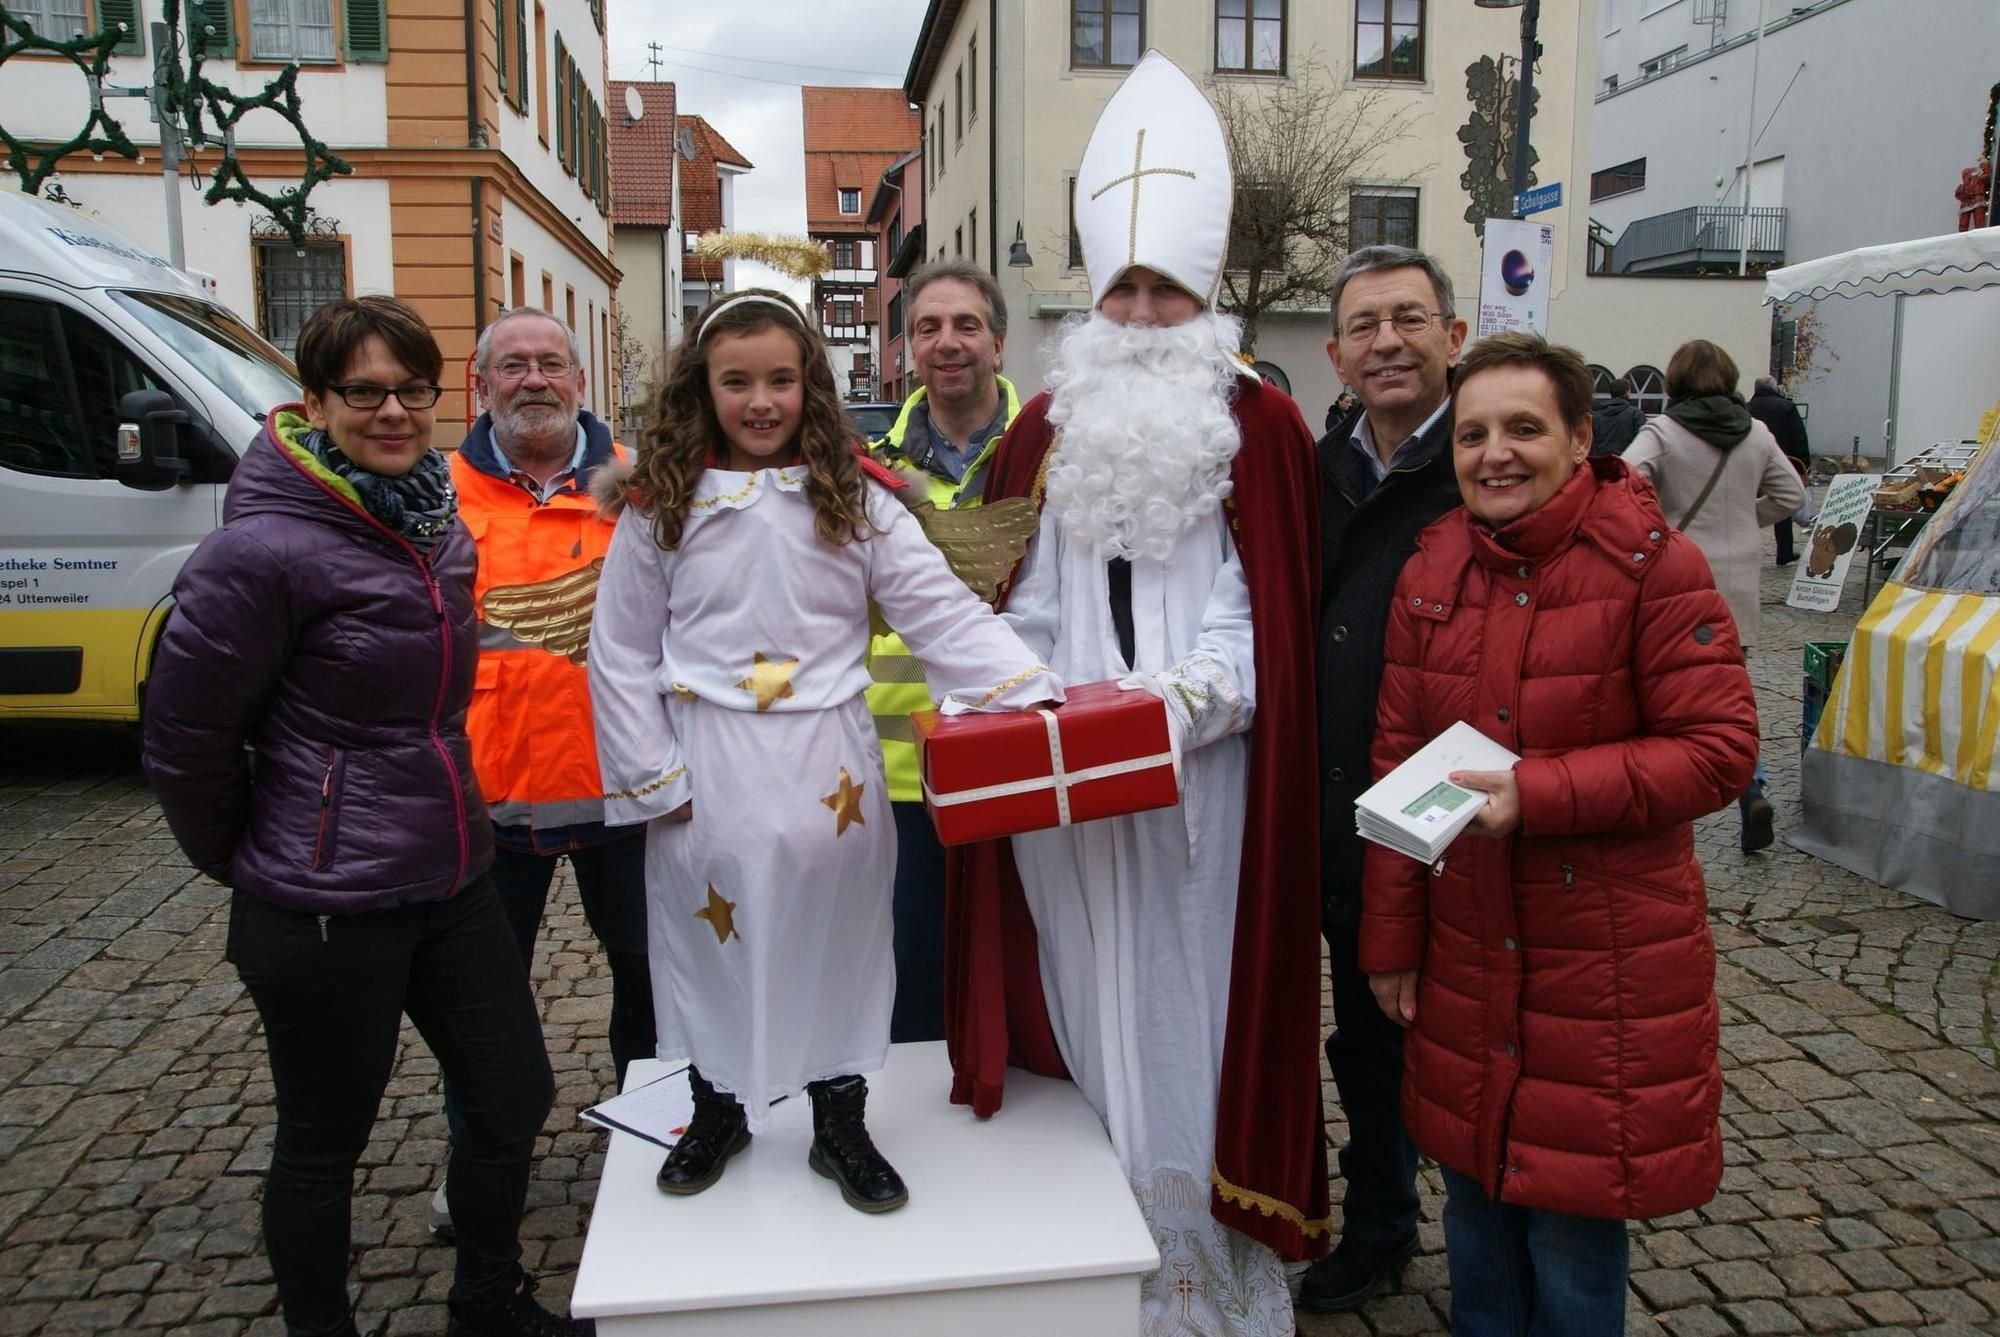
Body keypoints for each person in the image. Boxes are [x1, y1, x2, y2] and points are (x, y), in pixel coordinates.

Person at [945, 51, 1327, 1335]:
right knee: (1084, 986)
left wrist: (1170, 705)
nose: (1143, 310)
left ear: (1204, 293)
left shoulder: (1258, 427)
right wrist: (1036, 697)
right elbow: (1025, 599)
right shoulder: (1042, 424)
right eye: (1123, 286)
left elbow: (1254, 612)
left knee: (1194, 1003)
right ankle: (1091, 1258)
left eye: (1165, 287)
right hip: (1066, 783)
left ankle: (1204, 1282)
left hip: (1201, 783)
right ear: (1093, 298)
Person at [142, 296, 592, 1337]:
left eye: (411, 390)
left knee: (512, 1095)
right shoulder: (261, 551)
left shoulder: (430, 525)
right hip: (324, 904)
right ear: (313, 402)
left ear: (440, 397)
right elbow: (185, 744)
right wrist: (265, 856)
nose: (391, 411)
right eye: (363, 391)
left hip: (452, 873)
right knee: (322, 1140)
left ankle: (487, 1297)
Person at [585, 289, 1059, 1214]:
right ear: (701, 388)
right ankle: (716, 1105)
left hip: (828, 770)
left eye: (779, 380)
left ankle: (838, 1116)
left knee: (839, 944)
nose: (761, 402)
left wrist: (1025, 690)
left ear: (811, 385)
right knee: (711, 942)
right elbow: (620, 648)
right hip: (709, 766)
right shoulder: (660, 507)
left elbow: (937, 607)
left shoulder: (858, 500)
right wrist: (652, 774)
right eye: (736, 382)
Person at [1360, 331, 1758, 1336]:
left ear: (1580, 437)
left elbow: (1716, 748)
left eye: (1523, 428)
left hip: (1604, 961)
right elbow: (1397, 771)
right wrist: (1390, 942)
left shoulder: (1649, 567)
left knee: (1573, 1240)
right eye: (1474, 433)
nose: (1494, 452)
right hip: (1461, 951)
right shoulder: (1431, 569)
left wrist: (1539, 791)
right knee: (1480, 1216)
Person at [426, 306, 655, 1237]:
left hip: (627, 791)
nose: (534, 380)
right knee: (481, 1003)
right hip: (487, 800)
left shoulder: (640, 485)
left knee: (649, 982)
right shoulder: (436, 492)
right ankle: (474, 1162)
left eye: (551, 363)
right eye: (512, 365)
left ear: (581, 381)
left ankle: (653, 1140)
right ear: (481, 385)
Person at [1303, 242, 1465, 1314]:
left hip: (1460, 807)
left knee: (1474, 1034)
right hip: (1340, 805)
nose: (1387, 341)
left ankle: (1504, 1237)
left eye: (1408, 318)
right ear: (1335, 353)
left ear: (1451, 335)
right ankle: (1377, 1222)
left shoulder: (1489, 456)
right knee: (1363, 1034)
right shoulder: (1318, 469)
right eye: (1364, 326)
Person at [863, 259, 1022, 1044]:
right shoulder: (865, 471)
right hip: (902, 772)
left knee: (1027, 966)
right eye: (928, 327)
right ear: (908, 348)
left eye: (965, 325)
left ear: (999, 339)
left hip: (1025, 747)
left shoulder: (1056, 453)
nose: (947, 343)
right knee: (913, 973)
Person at [1624, 341, 1802, 852]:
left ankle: (1663, 796)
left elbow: (1624, 482)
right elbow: (1791, 497)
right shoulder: (1758, 434)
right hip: (1740, 580)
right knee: (1731, 693)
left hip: (1679, 576)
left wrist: (1658, 525)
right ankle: (1752, 788)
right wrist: (1749, 521)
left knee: (1663, 687)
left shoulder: (1663, 432)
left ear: (1675, 381)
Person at [1748, 375, 1812, 565]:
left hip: (1751, 463)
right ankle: (1784, 551)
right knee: (1781, 505)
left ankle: (1748, 549)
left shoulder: (1746, 408)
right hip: (1782, 462)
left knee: (1747, 505)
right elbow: (1799, 437)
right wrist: (1803, 464)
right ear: (1774, 388)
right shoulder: (1787, 407)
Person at [1589, 376, 1647, 457]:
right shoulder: (1636, 414)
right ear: (1627, 392)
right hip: (1627, 464)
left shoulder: (1597, 416)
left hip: (1602, 464)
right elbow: (1642, 443)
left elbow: (1592, 445)